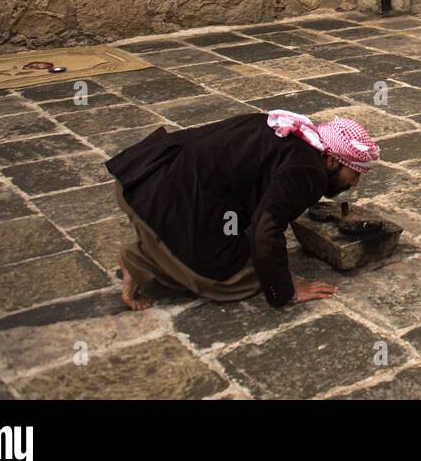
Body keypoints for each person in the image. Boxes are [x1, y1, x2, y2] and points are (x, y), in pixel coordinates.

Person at [106, 110, 381, 311]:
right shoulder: (310, 172)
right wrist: (285, 289)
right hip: (160, 197)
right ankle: (141, 259)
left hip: (143, 172)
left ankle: (155, 250)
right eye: (354, 173)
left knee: (241, 245)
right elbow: (265, 228)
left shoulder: (292, 133)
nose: (354, 183)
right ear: (332, 161)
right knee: (238, 279)